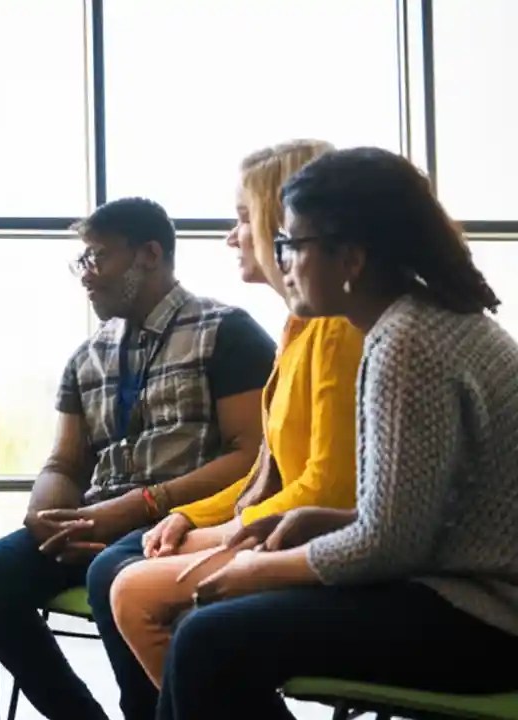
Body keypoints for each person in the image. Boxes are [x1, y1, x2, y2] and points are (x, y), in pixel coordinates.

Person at [158, 147, 518, 719]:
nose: (284, 261)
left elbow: (390, 545)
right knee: (203, 634)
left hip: (484, 620)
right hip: (462, 592)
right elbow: (418, 519)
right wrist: (321, 521)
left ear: (350, 259)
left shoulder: (406, 344)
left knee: (208, 641)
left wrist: (258, 569)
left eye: (292, 244)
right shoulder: (428, 322)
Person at [0, 197, 277, 720]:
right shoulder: (89, 354)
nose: (86, 275)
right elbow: (65, 463)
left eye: (98, 258)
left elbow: (251, 457)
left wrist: (137, 507)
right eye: (82, 261)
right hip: (100, 519)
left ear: (149, 254)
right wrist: (50, 519)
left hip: (180, 523)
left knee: (111, 568)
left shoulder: (227, 331)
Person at [106, 140, 364, 691]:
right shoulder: (299, 328)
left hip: (322, 538)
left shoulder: (339, 328)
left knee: (129, 585)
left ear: (282, 221)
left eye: (243, 218)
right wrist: (192, 517)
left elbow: (328, 488)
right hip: (292, 523)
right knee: (123, 566)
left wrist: (222, 531)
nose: (232, 235)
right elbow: (268, 473)